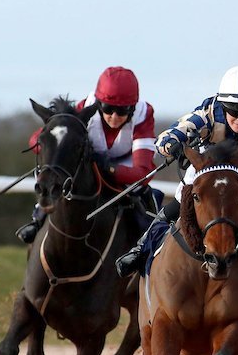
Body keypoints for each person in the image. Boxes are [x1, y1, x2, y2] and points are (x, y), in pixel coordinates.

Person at [113, 65, 238, 309]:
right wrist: (175, 146)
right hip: (212, 159)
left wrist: (233, 175)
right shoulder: (209, 111)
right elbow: (168, 137)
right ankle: (141, 248)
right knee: (181, 196)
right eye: (233, 112)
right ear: (222, 106)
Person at [16, 66, 158, 243]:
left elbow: (143, 173)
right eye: (107, 108)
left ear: (133, 108)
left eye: (123, 111)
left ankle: (148, 239)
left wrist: (109, 168)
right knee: (63, 177)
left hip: (126, 163)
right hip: (91, 161)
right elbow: (36, 141)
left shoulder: (144, 115)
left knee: (138, 187)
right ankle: (38, 217)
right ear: (98, 103)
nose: (114, 116)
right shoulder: (83, 109)